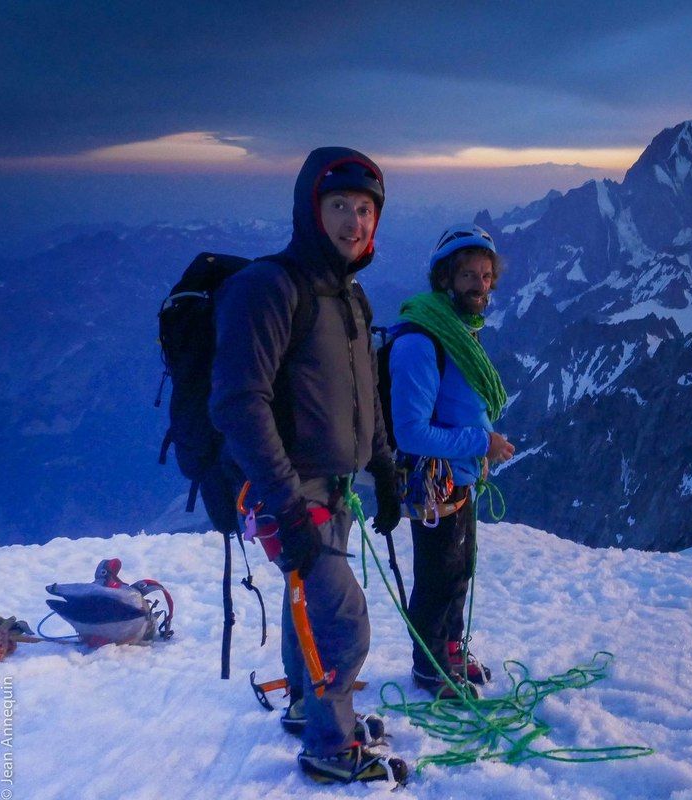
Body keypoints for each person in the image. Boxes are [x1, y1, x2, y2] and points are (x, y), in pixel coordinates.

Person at [209, 146, 406, 785]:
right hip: (290, 487)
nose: (355, 222)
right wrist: (286, 503)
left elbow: (365, 394)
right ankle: (330, 745)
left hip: (336, 484)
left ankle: (306, 703)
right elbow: (240, 402)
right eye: (340, 206)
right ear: (310, 210)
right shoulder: (271, 288)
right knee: (342, 619)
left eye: (366, 209)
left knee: (311, 607)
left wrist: (383, 466)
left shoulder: (350, 296)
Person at [387, 223, 515, 698]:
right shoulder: (422, 342)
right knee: (438, 576)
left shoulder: (459, 332)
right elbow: (411, 431)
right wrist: (482, 444)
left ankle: (451, 648)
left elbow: (463, 405)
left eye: (485, 275)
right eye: (468, 275)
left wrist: (477, 451)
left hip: (457, 476)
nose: (479, 285)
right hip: (431, 481)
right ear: (445, 278)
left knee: (458, 569)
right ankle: (429, 665)